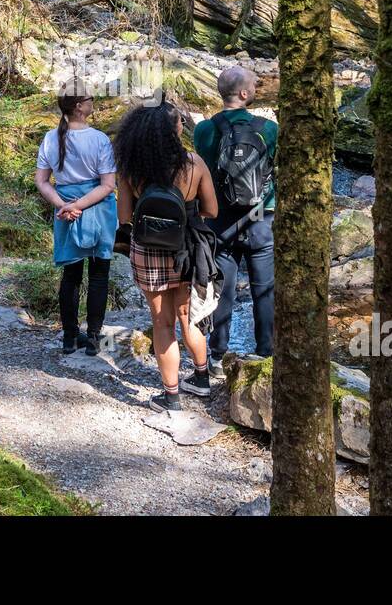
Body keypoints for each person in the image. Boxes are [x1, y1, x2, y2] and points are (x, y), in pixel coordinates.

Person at [115, 100, 219, 413]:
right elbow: (212, 211)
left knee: (162, 324)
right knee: (190, 318)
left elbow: (125, 219)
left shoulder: (131, 170)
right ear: (174, 130)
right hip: (187, 251)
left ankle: (171, 396)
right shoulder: (194, 164)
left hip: (147, 252)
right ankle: (201, 379)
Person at [192, 67, 278, 373]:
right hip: (260, 219)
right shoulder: (268, 128)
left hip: (220, 220)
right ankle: (266, 352)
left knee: (222, 288)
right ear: (243, 94)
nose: (257, 87)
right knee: (264, 287)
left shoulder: (204, 130)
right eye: (253, 85)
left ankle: (217, 353)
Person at [34, 94, 118, 355]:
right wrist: (78, 206)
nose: (94, 101)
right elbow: (108, 185)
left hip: (65, 208)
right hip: (96, 208)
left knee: (71, 275)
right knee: (99, 274)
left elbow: (42, 181)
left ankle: (69, 337)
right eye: (89, 99)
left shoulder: (51, 138)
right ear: (79, 107)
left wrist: (63, 206)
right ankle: (94, 338)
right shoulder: (100, 139)